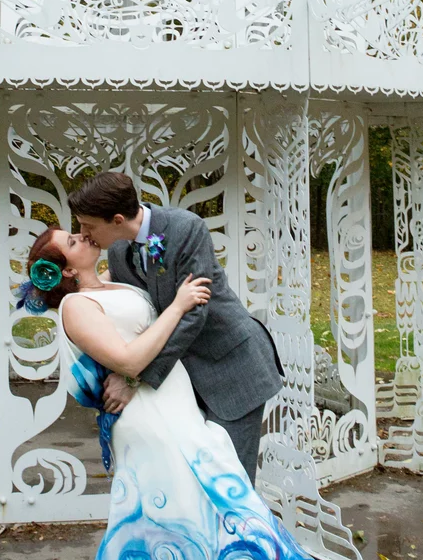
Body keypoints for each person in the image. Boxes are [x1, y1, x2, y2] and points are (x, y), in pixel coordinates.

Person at [22, 226, 408, 560]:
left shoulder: (117, 281)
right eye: (72, 241)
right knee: (234, 523)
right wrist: (177, 308)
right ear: (62, 269)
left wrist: (163, 324)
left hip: (178, 410)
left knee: (183, 536)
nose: (82, 236)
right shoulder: (76, 307)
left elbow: (139, 353)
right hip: (153, 426)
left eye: (79, 232)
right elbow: (130, 356)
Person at [67, 171, 281, 484]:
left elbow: (195, 313)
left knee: (231, 484)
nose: (83, 233)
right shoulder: (117, 252)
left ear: (115, 219)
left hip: (233, 369)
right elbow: (144, 317)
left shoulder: (185, 228)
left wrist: (132, 376)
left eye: (88, 225)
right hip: (180, 384)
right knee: (193, 484)